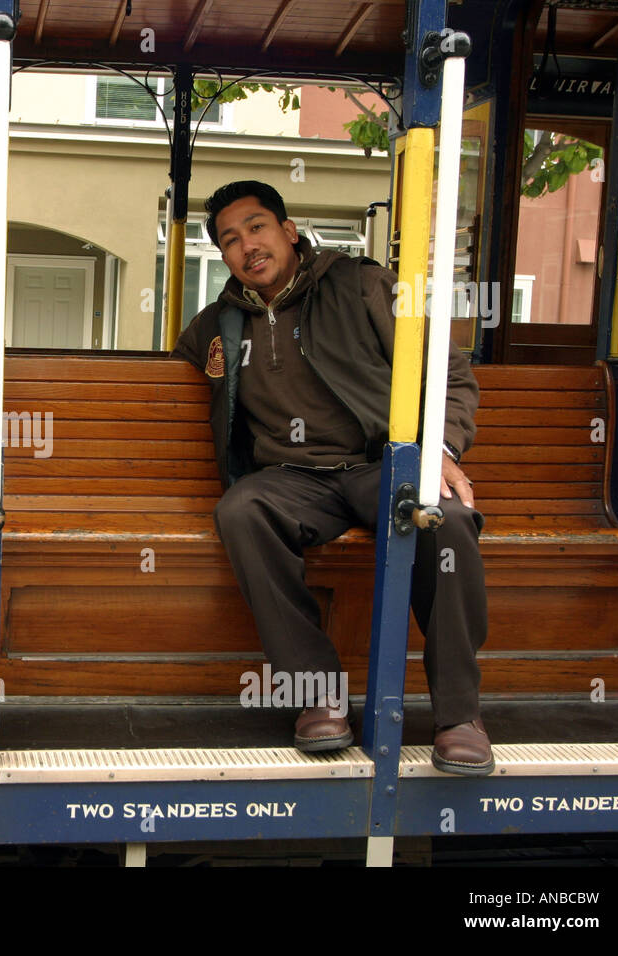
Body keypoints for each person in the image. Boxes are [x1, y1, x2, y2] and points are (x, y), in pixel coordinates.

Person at [172, 180, 493, 776]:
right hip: (294, 481)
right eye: (231, 239)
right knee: (241, 510)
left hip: (383, 465)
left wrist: (441, 450)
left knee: (446, 522)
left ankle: (459, 715)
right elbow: (178, 371)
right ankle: (316, 693)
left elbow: (446, 369)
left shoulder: (361, 285)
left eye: (258, 227)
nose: (248, 246)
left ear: (289, 231)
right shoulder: (217, 324)